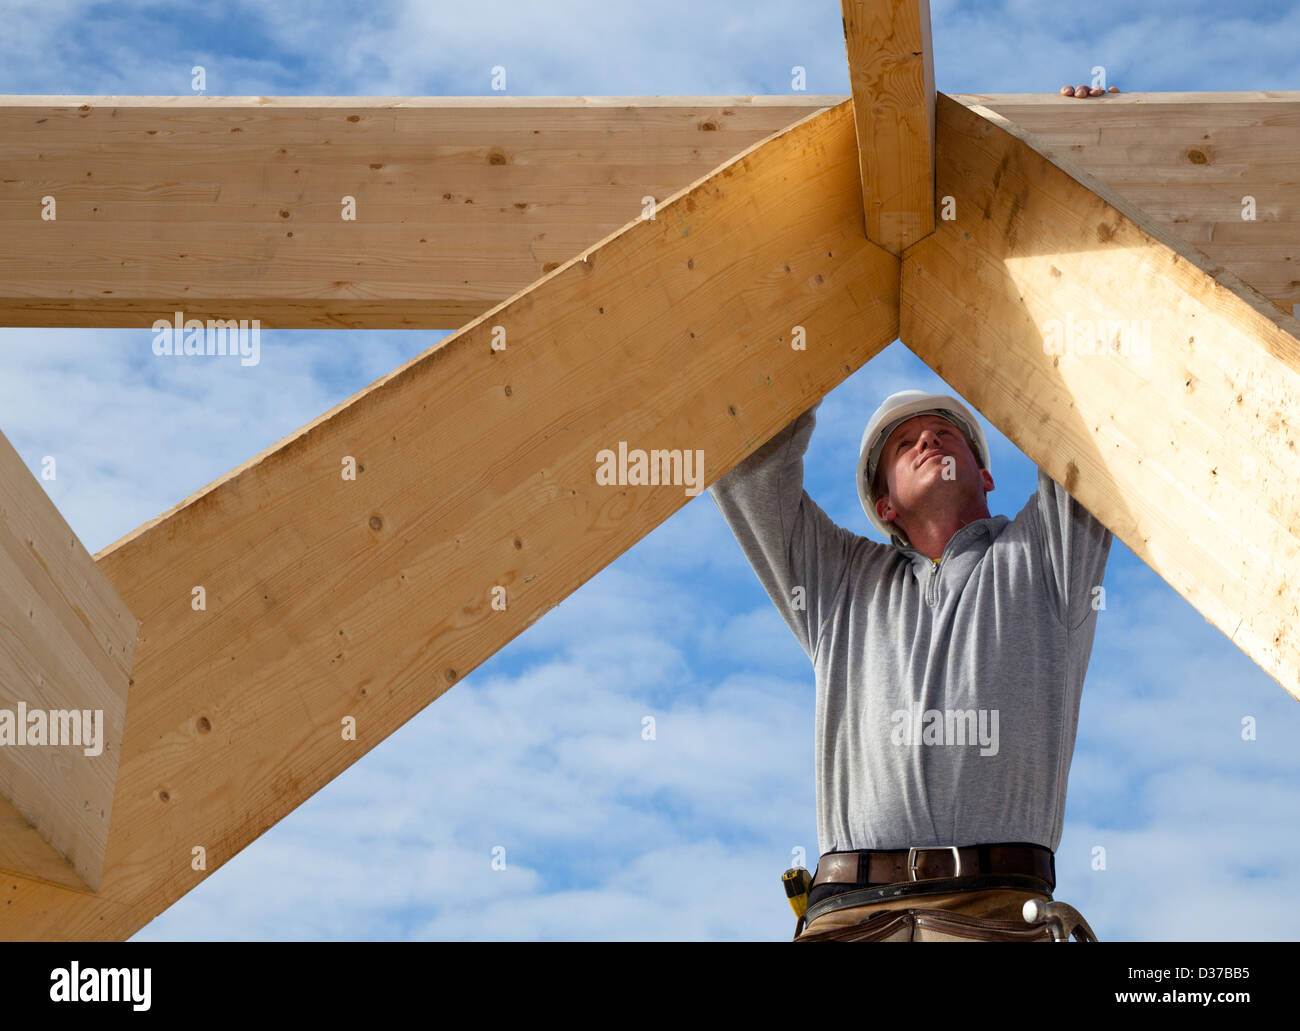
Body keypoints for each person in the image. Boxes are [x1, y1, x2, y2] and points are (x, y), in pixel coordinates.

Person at [707, 390, 1113, 941]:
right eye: (904, 443)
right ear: (885, 507)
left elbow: (1089, 421)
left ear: (987, 477)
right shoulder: (840, 583)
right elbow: (747, 468)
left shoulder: (1048, 555)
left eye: (946, 433)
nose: (927, 439)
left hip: (995, 916)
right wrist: (817, 334)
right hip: (852, 921)